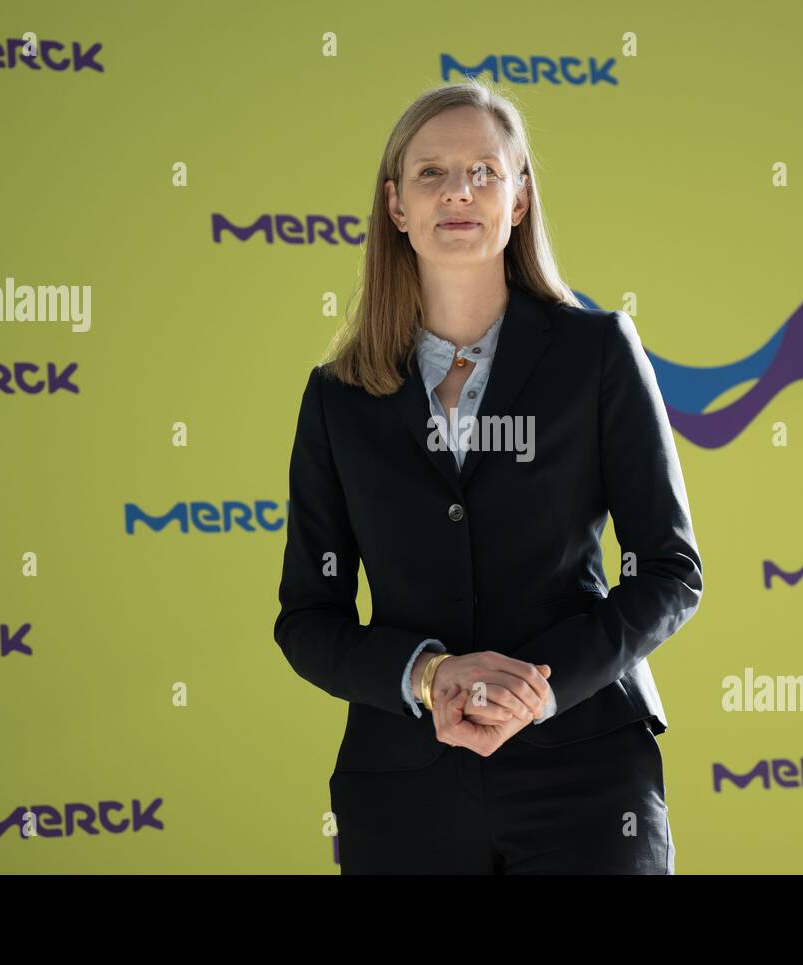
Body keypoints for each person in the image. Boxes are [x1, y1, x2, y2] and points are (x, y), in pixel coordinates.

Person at [274, 78, 702, 874]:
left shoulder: (599, 353)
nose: (458, 191)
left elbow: (670, 573)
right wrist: (428, 674)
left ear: (520, 197)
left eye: (484, 171)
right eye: (431, 173)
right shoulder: (337, 397)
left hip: (587, 776)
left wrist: (536, 686)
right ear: (397, 205)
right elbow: (307, 619)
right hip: (403, 794)